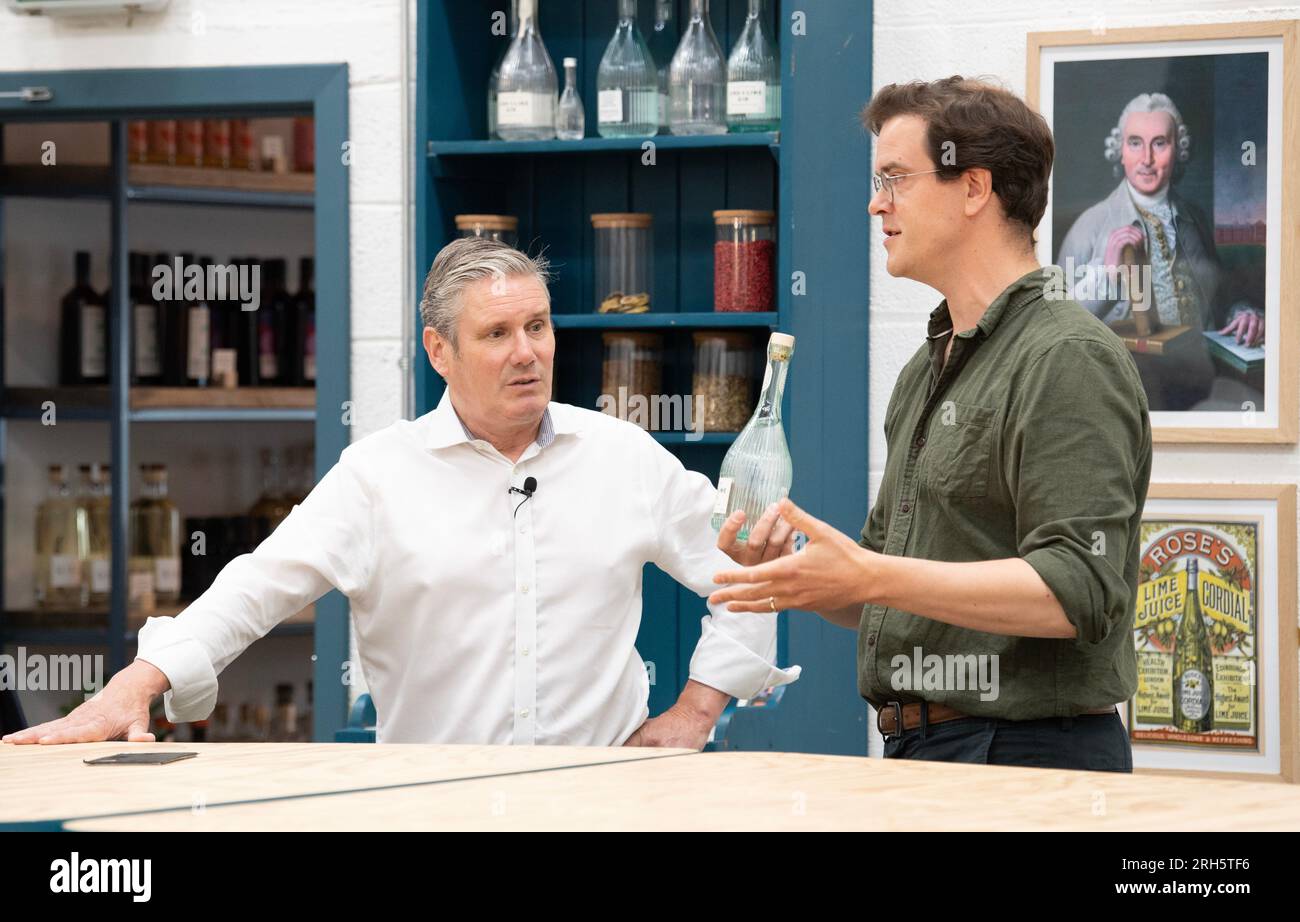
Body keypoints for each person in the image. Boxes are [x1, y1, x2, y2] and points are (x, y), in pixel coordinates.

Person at [4, 237, 799, 748]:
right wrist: (136, 684)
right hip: (431, 813)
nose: (528, 353)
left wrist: (696, 711)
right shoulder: (377, 475)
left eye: (539, 327)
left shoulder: (622, 456)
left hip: (605, 807)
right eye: (496, 335)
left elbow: (752, 571)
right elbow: (254, 588)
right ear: (439, 350)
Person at [713, 76, 1151, 772]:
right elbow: (884, 591)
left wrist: (871, 575)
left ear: (974, 189)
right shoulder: (928, 367)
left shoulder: (1066, 356)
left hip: (1025, 758)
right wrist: (812, 576)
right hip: (927, 751)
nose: (874, 201)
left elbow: (1079, 590)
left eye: (895, 177)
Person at [1056, 92, 1264, 410]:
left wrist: (1243, 314)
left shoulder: (1194, 218)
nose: (1147, 159)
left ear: (1177, 150)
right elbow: (1056, 330)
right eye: (1136, 143)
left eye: (1159, 143)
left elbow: (1221, 298)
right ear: (1120, 151)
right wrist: (1106, 276)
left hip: (1201, 387)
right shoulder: (1090, 226)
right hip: (1124, 397)